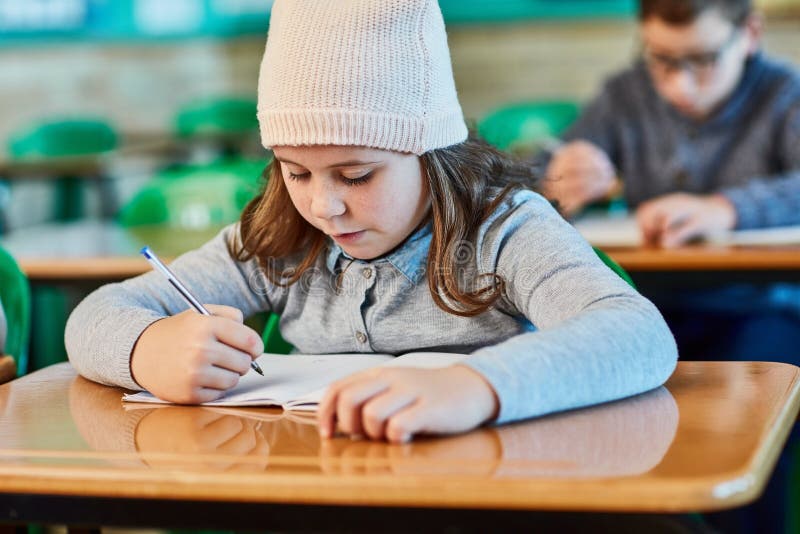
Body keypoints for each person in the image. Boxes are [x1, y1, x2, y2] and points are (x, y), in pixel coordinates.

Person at [65, 0, 677, 444]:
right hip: (321, 496)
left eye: (357, 176)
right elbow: (93, 316)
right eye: (296, 173)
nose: (324, 207)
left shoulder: (503, 229)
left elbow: (638, 335)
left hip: (478, 498)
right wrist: (148, 349)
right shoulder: (282, 239)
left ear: (429, 152)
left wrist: (474, 386)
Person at [542, 0, 800, 363]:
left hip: (761, 308)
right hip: (644, 307)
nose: (681, 86)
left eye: (705, 59)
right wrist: (555, 182)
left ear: (750, 35)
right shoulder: (624, 94)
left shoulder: (784, 93)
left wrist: (725, 209)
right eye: (662, 59)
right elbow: (531, 175)